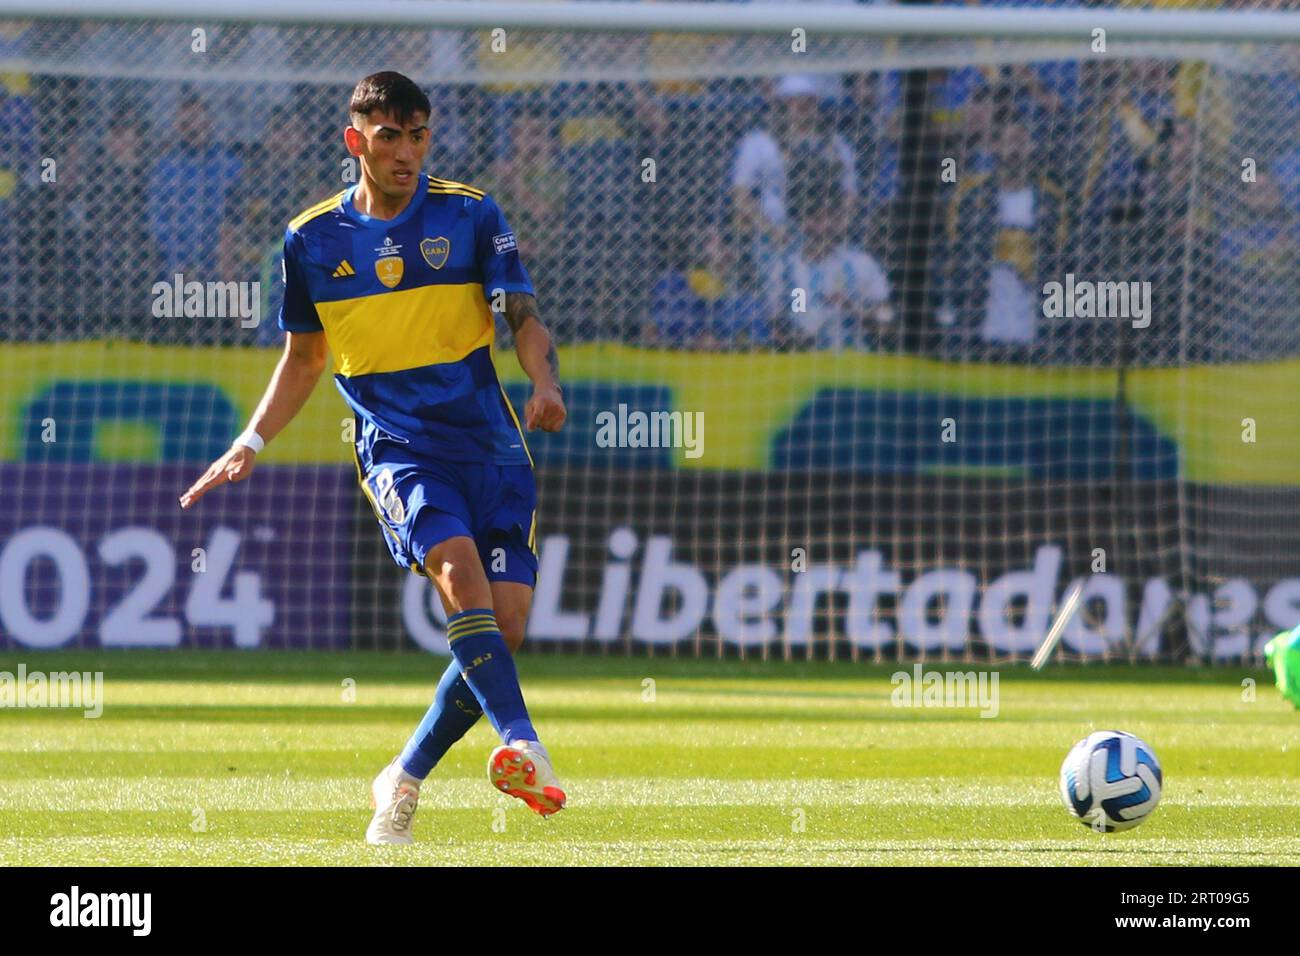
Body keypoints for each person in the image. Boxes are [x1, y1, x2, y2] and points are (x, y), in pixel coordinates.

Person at [177, 71, 568, 845]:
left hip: (490, 444)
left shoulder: (471, 215)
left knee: (508, 621)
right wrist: (249, 442)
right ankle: (523, 742)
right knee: (460, 574)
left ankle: (404, 776)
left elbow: (522, 313)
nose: (407, 153)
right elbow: (303, 360)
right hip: (398, 449)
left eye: (418, 135)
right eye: (390, 136)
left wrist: (545, 380)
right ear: (356, 141)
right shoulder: (311, 240)